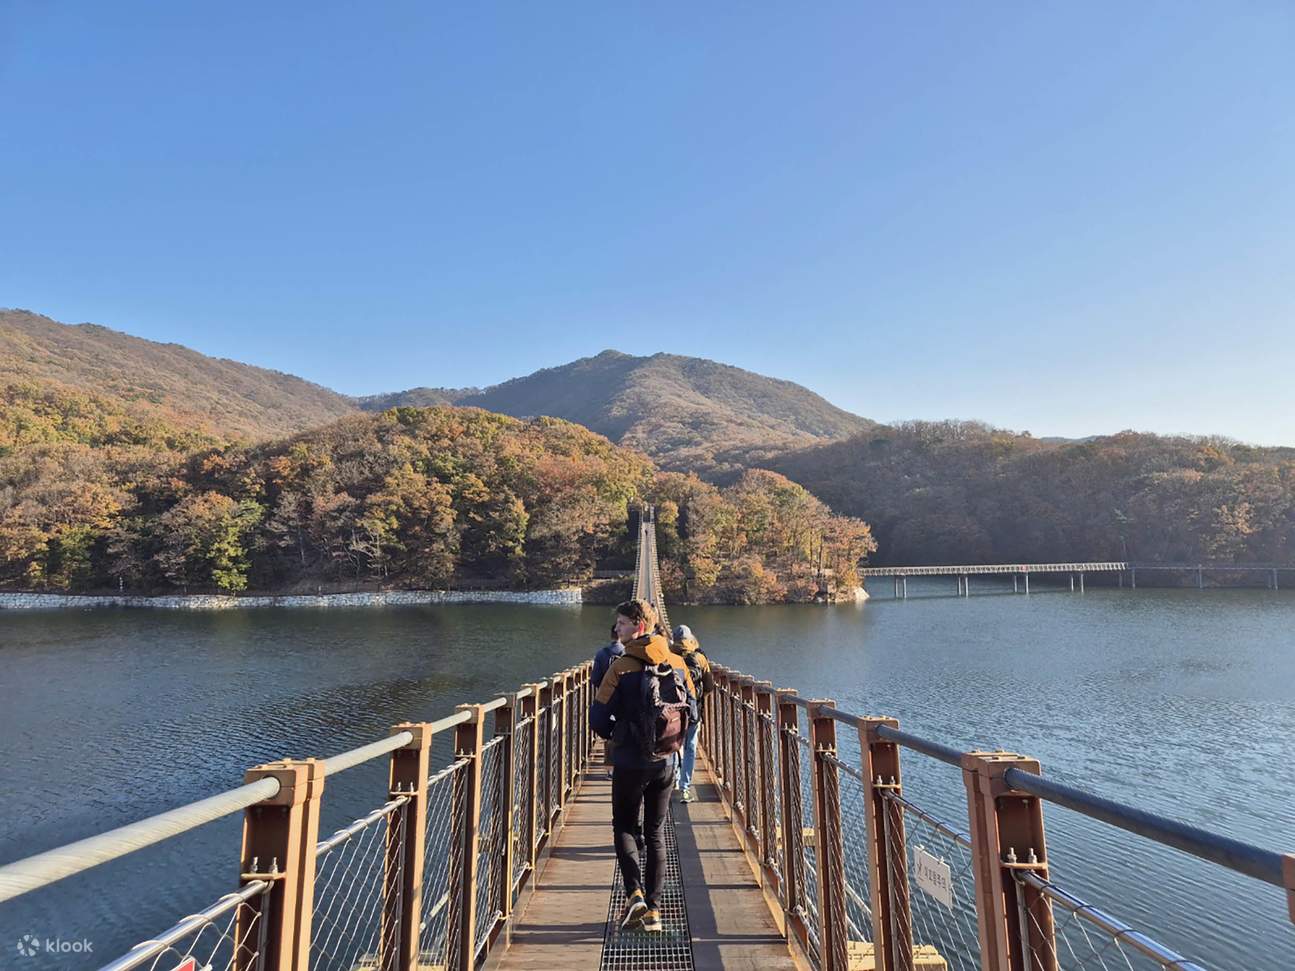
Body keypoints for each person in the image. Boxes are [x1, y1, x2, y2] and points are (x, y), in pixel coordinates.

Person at [591, 599, 697, 933]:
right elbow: (693, 712)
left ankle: (633, 893)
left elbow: (597, 719)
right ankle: (653, 911)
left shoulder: (620, 666)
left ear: (638, 626)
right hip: (665, 762)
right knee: (654, 833)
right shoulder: (677, 662)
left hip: (628, 761)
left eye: (622, 623)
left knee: (624, 826)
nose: (617, 629)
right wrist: (672, 740)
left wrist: (617, 734)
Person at [671, 624, 713, 803]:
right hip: (694, 709)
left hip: (672, 711)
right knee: (690, 747)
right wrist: (698, 698)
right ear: (690, 639)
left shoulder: (667, 655)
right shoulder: (699, 658)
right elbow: (709, 686)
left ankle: (672, 780)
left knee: (673, 745)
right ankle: (685, 786)